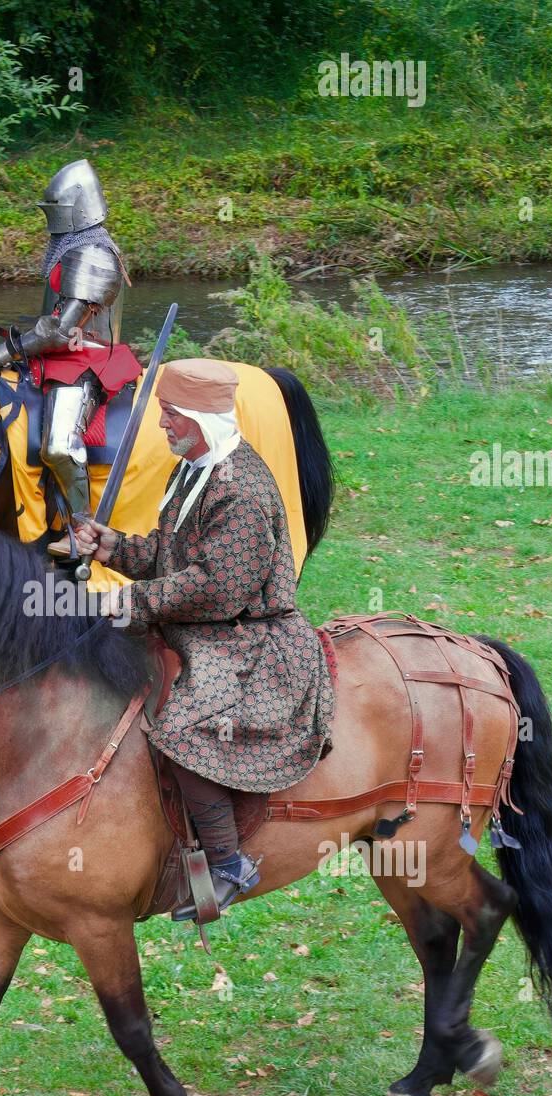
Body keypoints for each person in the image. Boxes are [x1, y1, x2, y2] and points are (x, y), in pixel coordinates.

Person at [73, 358, 336, 919]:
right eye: (163, 413)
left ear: (199, 418)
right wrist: (112, 547)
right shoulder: (192, 469)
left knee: (185, 725)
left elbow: (218, 588)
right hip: (200, 623)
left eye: (171, 415)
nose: (162, 425)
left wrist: (131, 601)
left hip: (248, 639)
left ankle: (226, 864)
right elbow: (173, 557)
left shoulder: (240, 490)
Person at [0, 159, 140, 555]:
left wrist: (11, 348)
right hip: (63, 355)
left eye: (57, 208)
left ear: (77, 207)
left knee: (58, 445)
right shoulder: (73, 247)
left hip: (86, 359)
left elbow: (60, 329)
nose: (52, 218)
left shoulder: (94, 255)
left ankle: (84, 532)